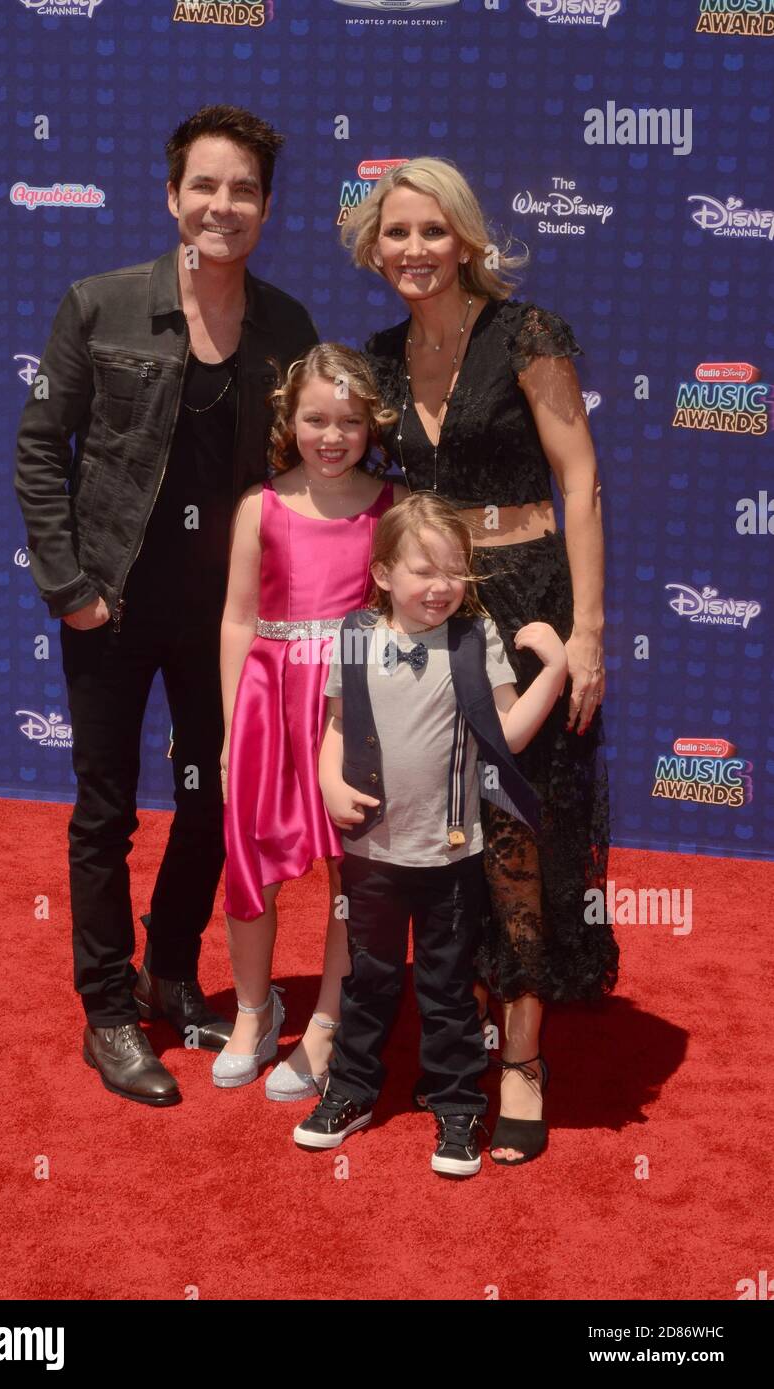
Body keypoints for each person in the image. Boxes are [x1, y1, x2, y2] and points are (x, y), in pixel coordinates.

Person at [13, 105, 319, 1107]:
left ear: (266, 208)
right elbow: (38, 451)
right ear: (172, 194)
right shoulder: (100, 305)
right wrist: (70, 588)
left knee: (212, 799)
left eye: (243, 190)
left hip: (224, 621)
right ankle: (107, 1009)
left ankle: (172, 971)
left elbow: (304, 469)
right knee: (104, 814)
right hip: (112, 604)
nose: (222, 205)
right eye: (205, 186)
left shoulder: (286, 328)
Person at [341, 156, 619, 1163]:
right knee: (442, 823)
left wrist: (586, 633)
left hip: (531, 598)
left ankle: (523, 1061)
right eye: (396, 234)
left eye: (432, 232)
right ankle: (447, 1038)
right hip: (434, 612)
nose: (414, 251)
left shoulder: (526, 334)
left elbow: (579, 479)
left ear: (465, 239)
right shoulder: (374, 360)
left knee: (520, 829)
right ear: (375, 246)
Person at [293, 495, 567, 1176]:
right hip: (370, 853)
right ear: (382, 572)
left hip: (450, 854)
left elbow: (505, 737)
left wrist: (556, 672)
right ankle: (351, 1090)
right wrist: (328, 782)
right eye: (423, 570)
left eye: (454, 571)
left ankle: (453, 1103)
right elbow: (332, 725)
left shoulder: (474, 640)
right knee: (370, 979)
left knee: (446, 986)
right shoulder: (353, 636)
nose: (440, 586)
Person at [217, 344, 406, 1098]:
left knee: (349, 868)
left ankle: (328, 1017)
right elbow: (236, 620)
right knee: (246, 860)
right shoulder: (257, 506)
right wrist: (231, 728)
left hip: (351, 704)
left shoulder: (390, 508)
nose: (332, 436)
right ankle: (252, 1012)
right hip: (266, 701)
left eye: (349, 422)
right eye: (316, 419)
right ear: (288, 420)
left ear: (371, 426)